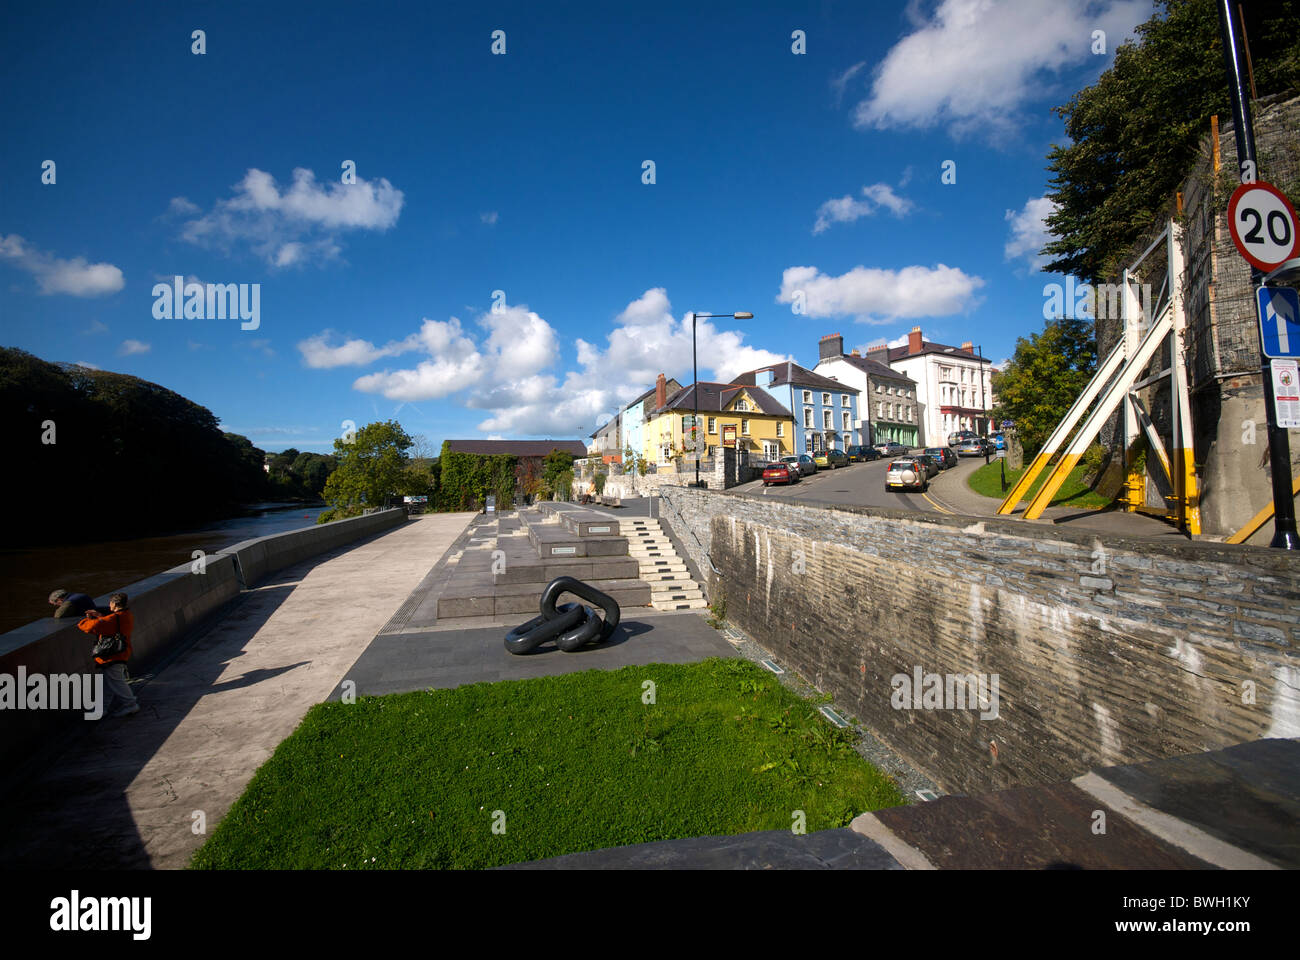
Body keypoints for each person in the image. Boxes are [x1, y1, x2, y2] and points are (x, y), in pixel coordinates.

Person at [78, 592, 139, 718]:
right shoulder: (126, 615)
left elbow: (89, 627)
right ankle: (101, 709)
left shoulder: (113, 619)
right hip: (121, 652)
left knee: (117, 682)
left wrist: (87, 619)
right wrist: (100, 616)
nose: (109, 605)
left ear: (114, 604)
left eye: (110, 603)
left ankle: (131, 705)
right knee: (108, 684)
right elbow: (111, 624)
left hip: (112, 655)